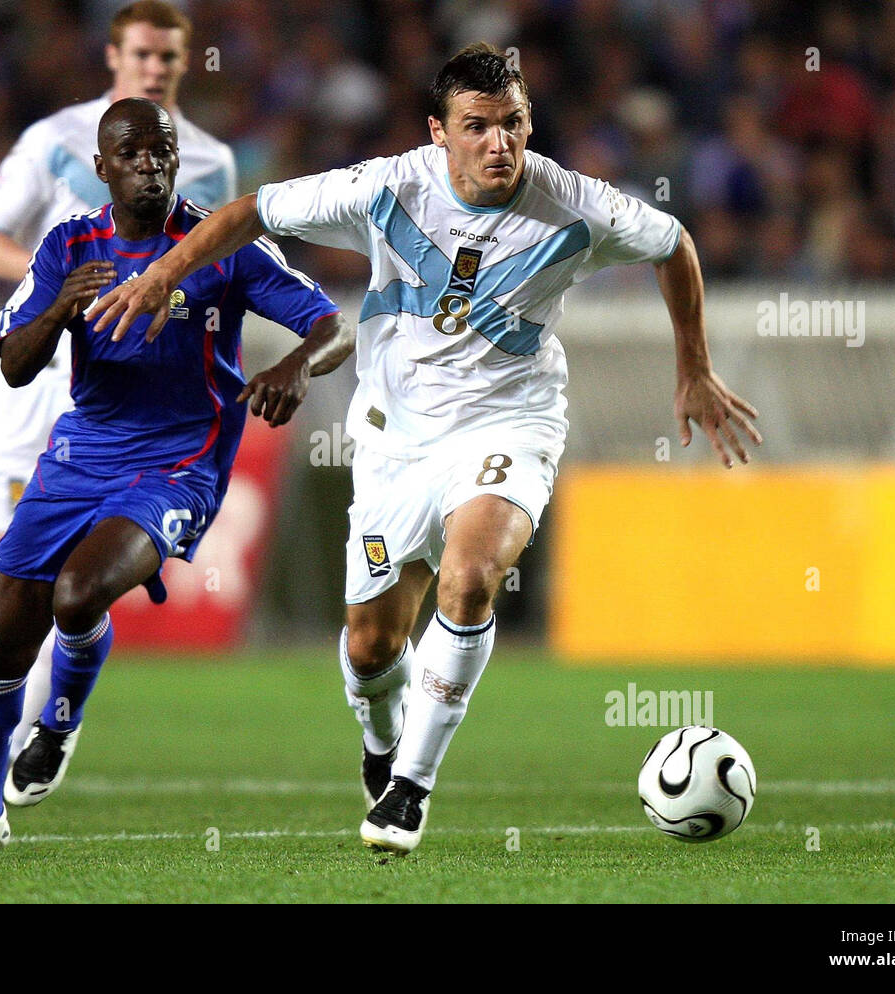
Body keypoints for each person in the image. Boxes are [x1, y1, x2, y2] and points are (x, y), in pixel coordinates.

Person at [83, 44, 762, 855]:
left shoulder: (573, 203)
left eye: (512, 124)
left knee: (472, 578)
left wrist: (694, 367)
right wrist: (161, 276)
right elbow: (250, 212)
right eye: (477, 127)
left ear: (529, 124)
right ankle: (381, 745)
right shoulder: (384, 187)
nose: (498, 145)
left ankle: (411, 786)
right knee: (373, 649)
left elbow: (673, 242)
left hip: (511, 423)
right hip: (394, 443)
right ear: (439, 132)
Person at [0, 98, 350, 851]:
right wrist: (59, 307)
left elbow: (332, 323)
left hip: (180, 460)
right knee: (2, 633)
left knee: (79, 592)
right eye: (132, 154)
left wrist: (292, 366)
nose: (149, 165)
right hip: (81, 450)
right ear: (102, 167)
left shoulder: (222, 244)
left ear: (177, 160)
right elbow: (16, 368)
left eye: (162, 152)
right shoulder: (67, 246)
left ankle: (59, 722)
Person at [0, 0, 237, 765]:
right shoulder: (53, 139)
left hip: (138, 396)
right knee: (9, 577)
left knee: (79, 586)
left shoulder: (210, 159)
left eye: (170, 59)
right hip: (46, 374)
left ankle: (44, 731)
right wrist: (63, 296)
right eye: (143, 55)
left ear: (185, 63)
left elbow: (214, 268)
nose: (156, 68)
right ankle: (6, 733)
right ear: (115, 57)